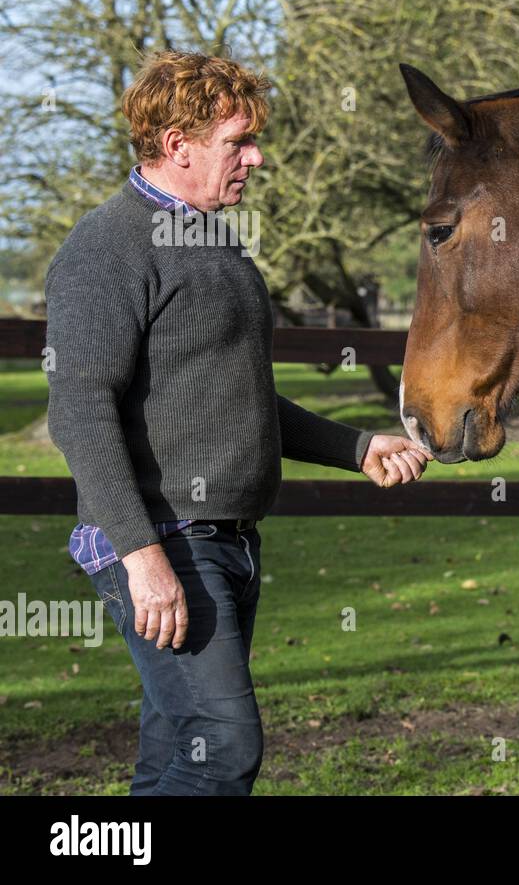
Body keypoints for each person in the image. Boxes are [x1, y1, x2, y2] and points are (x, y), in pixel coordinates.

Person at [43, 50, 432, 795]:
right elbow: (79, 409)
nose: (255, 157)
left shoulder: (214, 244)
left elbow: (237, 397)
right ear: (177, 146)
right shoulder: (105, 249)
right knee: (220, 746)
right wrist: (142, 558)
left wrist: (357, 447)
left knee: (176, 752)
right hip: (164, 540)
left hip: (226, 541)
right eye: (237, 142)